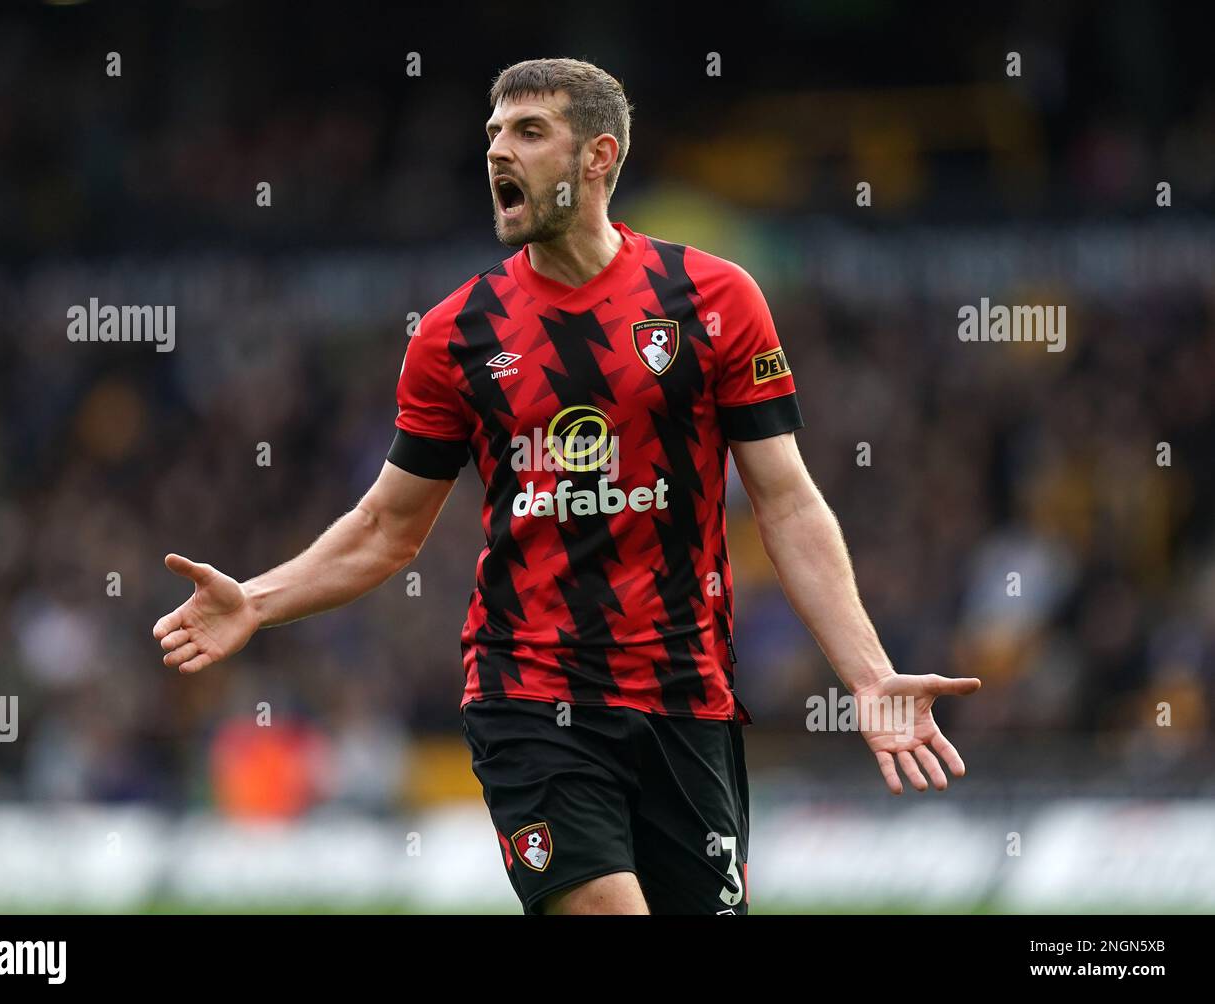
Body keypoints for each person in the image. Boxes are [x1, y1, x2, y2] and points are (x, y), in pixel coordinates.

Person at [153, 57, 981, 915]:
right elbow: (383, 530)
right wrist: (256, 599)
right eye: (493, 134)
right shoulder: (455, 335)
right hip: (529, 692)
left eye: (528, 131)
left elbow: (786, 500)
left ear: (597, 158)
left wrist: (869, 675)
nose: (498, 152)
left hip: (685, 695)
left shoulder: (715, 299)